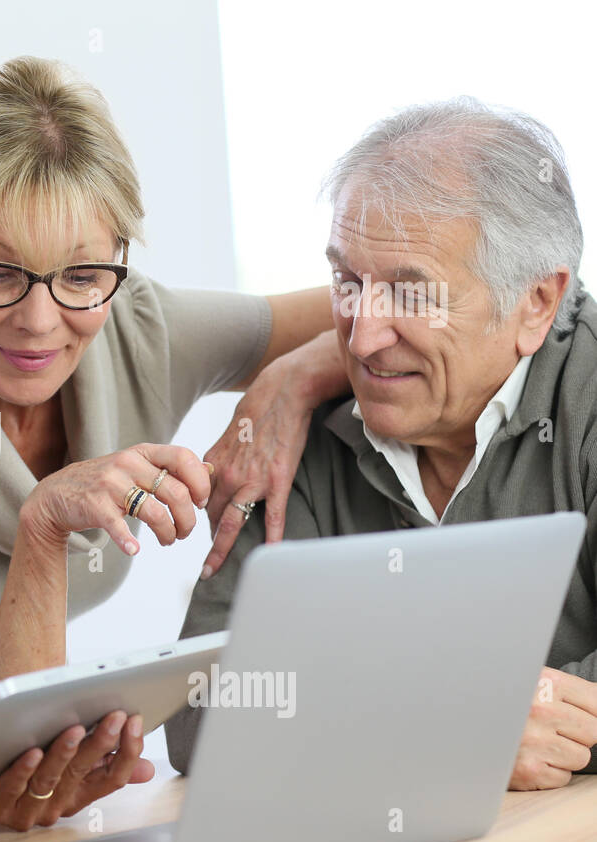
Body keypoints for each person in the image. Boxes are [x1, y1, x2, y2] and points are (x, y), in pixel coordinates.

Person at [0, 55, 350, 830]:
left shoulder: (140, 324)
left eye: (80, 274)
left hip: (4, 801)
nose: (40, 323)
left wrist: (296, 376)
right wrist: (44, 526)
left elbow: (387, 308)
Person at [164, 98, 597, 792]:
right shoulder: (294, 437)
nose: (361, 339)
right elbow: (199, 716)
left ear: (537, 304)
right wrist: (448, 728)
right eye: (348, 281)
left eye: (410, 292)